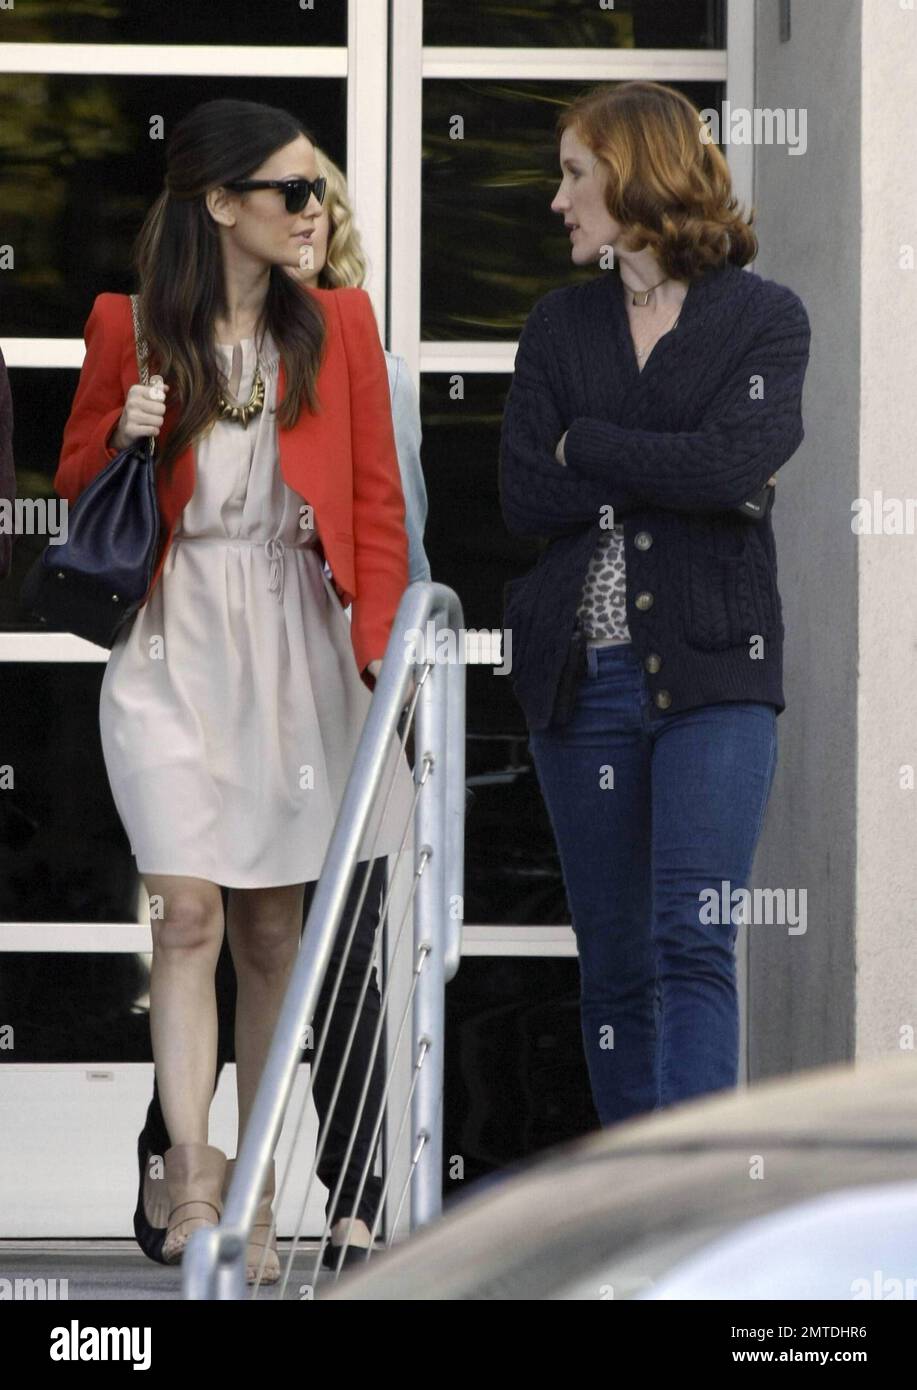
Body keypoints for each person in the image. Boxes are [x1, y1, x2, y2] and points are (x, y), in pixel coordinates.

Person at [54, 98, 418, 1282]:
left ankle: (257, 1193)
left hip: (295, 644)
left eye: (316, 192)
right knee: (189, 914)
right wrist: (127, 434)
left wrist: (382, 655)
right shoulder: (128, 325)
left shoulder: (340, 329)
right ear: (222, 204)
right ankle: (195, 1182)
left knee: (273, 927)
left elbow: (373, 503)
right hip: (172, 643)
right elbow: (73, 487)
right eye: (292, 192)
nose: (314, 213)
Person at [499, 81, 811, 1128]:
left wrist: (586, 441)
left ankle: (695, 1224)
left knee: (692, 937)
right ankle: (633, 1225)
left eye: (574, 173)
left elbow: (735, 466)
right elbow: (520, 491)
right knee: (619, 962)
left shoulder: (763, 319)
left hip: (714, 673)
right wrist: (677, 468)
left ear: (635, 174)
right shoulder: (559, 323)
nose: (557, 200)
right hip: (578, 681)